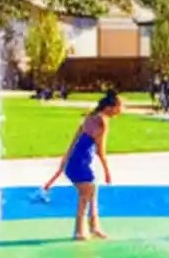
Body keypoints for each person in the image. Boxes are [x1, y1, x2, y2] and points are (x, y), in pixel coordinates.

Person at [43, 90, 122, 240]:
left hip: (75, 161)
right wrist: (107, 171)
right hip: (81, 163)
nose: (120, 111)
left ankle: (94, 226)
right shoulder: (102, 122)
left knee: (91, 190)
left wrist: (62, 167)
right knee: (86, 193)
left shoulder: (89, 118)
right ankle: (79, 230)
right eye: (119, 107)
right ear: (110, 108)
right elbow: (101, 151)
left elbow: (73, 143)